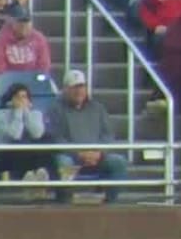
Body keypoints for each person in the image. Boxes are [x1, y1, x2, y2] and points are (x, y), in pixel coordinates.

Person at [46, 69, 127, 202]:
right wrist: (79, 153)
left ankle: (112, 202)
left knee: (118, 162)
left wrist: (99, 153)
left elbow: (108, 135)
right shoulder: (55, 110)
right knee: (64, 162)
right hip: (71, 156)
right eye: (74, 87)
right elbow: (56, 138)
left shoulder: (98, 108)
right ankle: (64, 202)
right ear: (65, 89)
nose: (79, 91)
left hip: (97, 156)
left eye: (82, 86)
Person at [0, 82, 56, 184]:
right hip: (2, 156)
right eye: (18, 97)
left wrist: (27, 113)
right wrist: (18, 112)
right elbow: (15, 135)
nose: (21, 100)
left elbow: (37, 134)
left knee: (45, 145)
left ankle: (42, 176)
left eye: (24, 97)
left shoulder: (36, 114)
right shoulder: (0, 115)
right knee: (19, 147)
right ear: (10, 100)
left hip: (27, 156)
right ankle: (30, 175)